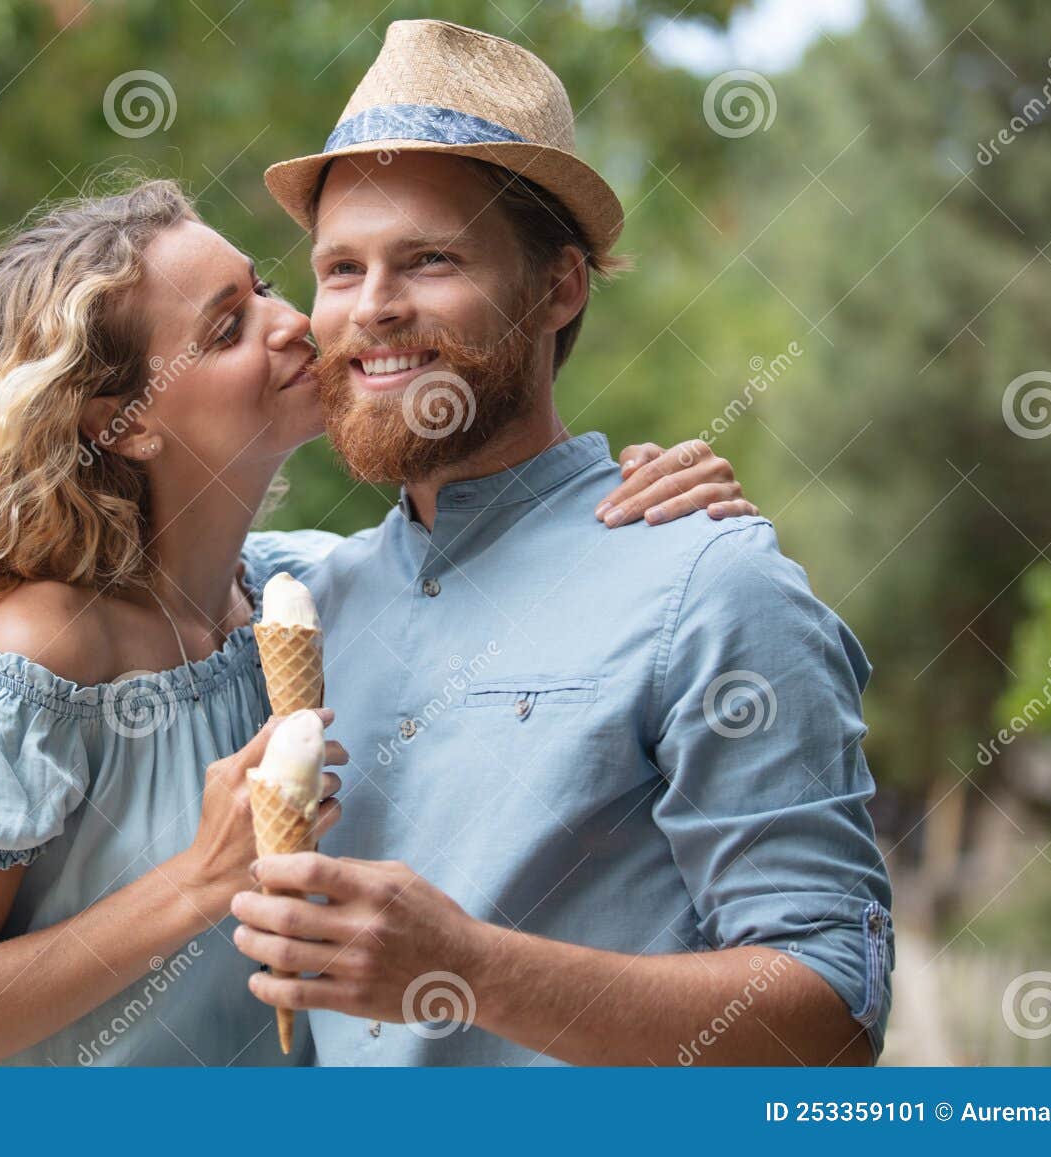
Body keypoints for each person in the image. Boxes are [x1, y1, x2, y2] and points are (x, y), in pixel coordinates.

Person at [0, 176, 752, 1064]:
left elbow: (486, 563)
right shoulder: (46, 648)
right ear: (124, 424)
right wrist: (196, 882)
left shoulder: (310, 593)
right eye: (224, 330)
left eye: (262, 287)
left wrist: (651, 490)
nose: (290, 324)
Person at [228, 19, 893, 1066]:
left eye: (431, 259)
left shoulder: (710, 582)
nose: (374, 309)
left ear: (559, 286)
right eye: (341, 268)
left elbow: (833, 1010)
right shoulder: (289, 598)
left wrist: (474, 967)